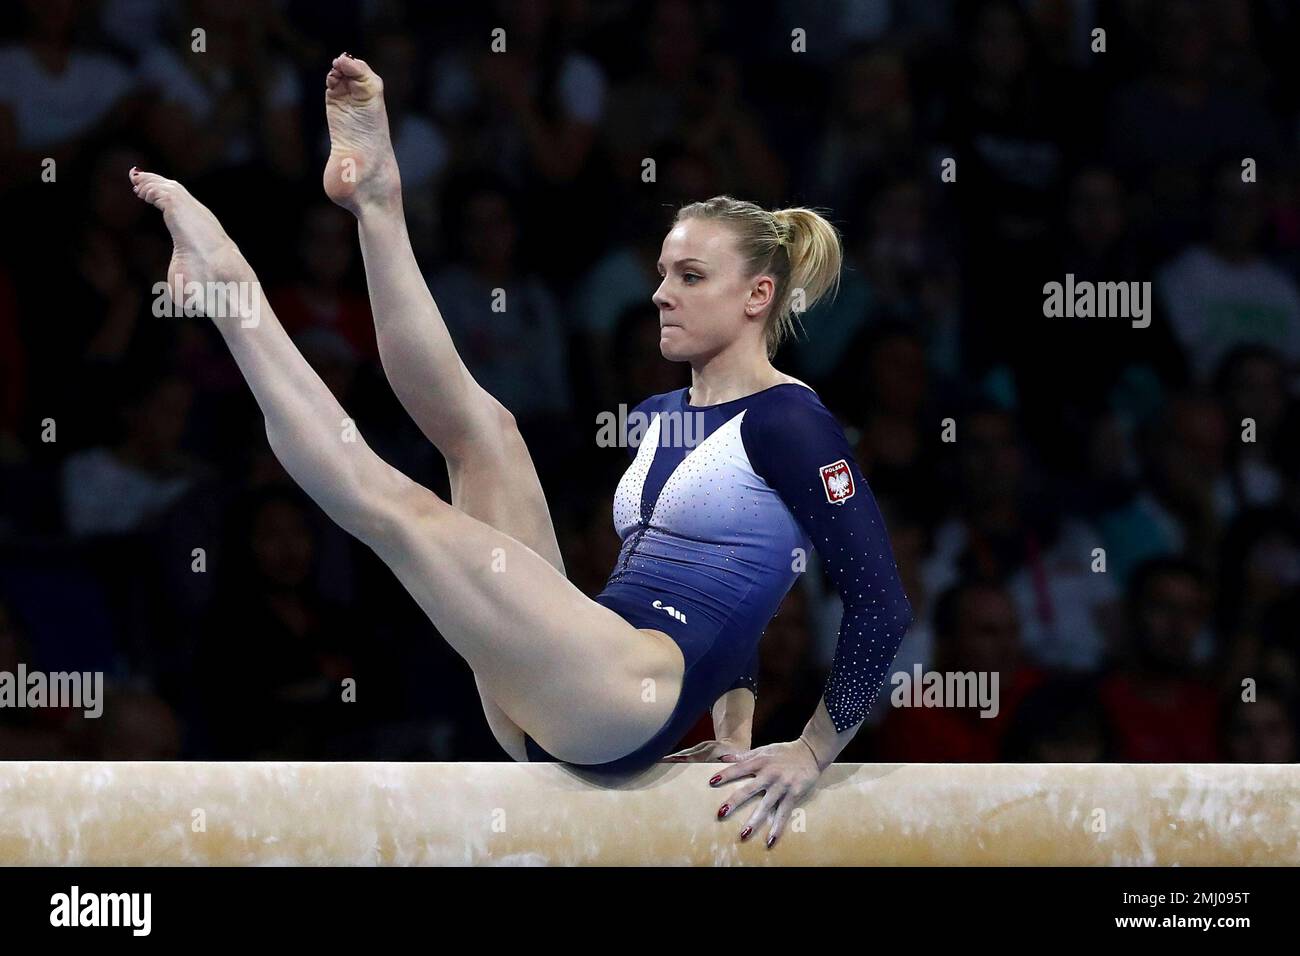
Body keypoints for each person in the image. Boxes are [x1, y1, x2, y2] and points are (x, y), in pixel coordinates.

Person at [126, 53, 911, 848]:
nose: (659, 293)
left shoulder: (791, 422)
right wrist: (734, 734)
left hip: (614, 700)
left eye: (691, 275)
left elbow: (881, 603)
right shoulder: (668, 414)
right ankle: (378, 203)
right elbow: (741, 585)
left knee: (402, 510)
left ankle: (229, 284)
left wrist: (812, 752)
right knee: (484, 434)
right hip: (571, 688)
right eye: (663, 271)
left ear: (757, 297)